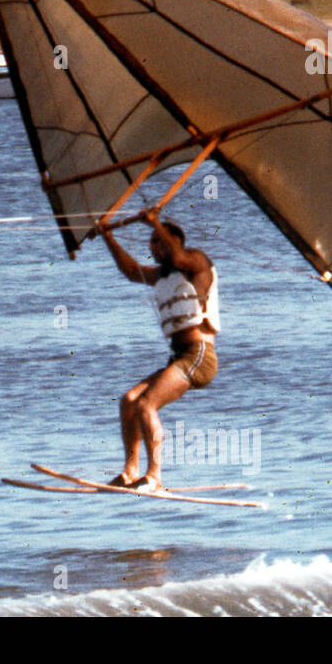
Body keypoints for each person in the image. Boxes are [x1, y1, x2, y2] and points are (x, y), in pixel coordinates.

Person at [96, 209, 219, 493]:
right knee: (129, 401)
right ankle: (130, 472)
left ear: (176, 242)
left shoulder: (197, 263)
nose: (153, 247)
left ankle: (153, 477)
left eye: (159, 242)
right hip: (179, 357)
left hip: (199, 356)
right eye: (151, 243)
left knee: (146, 404)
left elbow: (177, 257)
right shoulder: (162, 276)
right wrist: (108, 236)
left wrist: (153, 221)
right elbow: (130, 271)